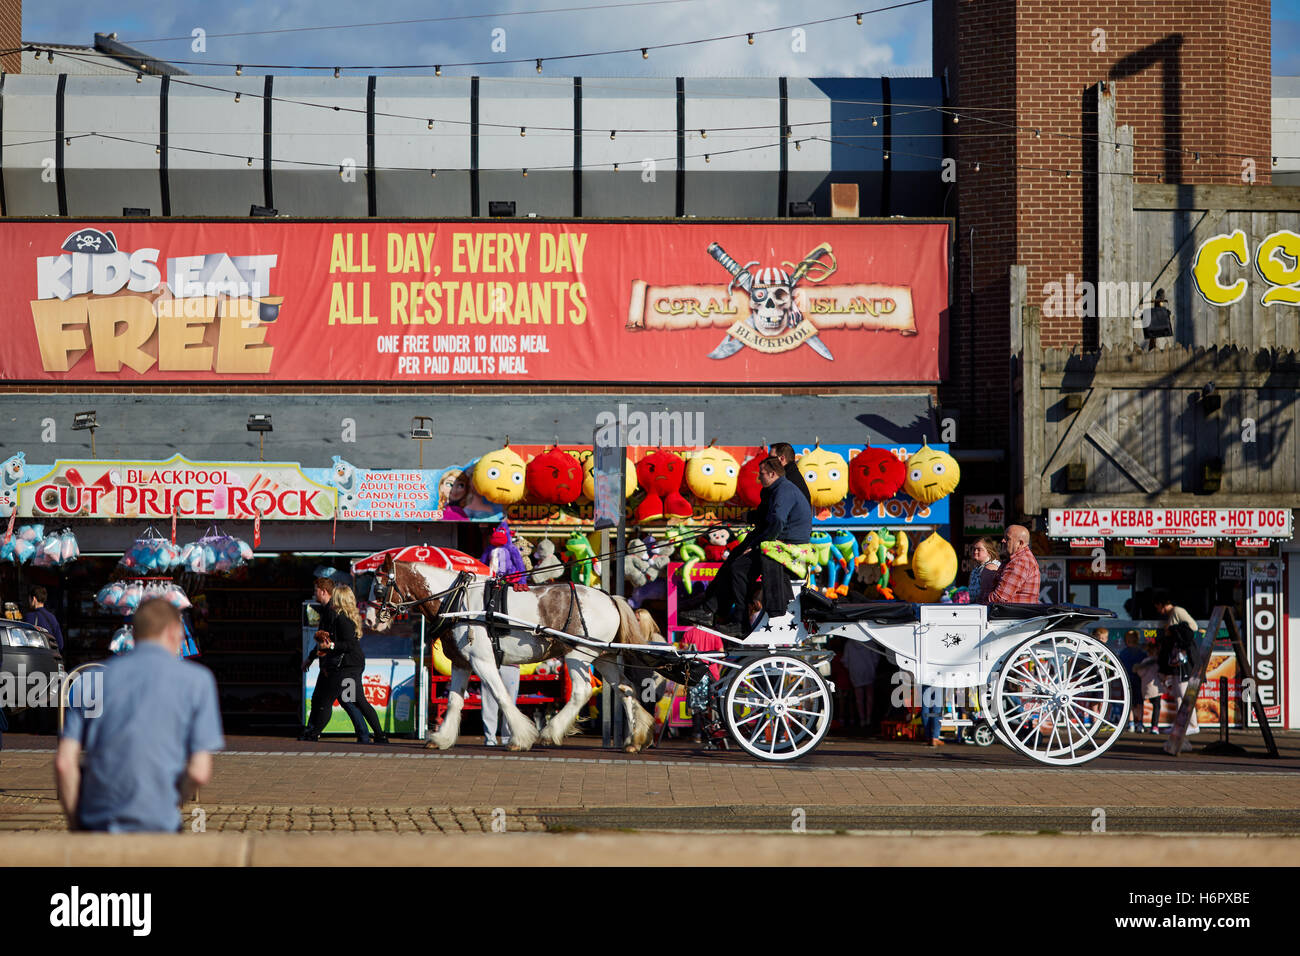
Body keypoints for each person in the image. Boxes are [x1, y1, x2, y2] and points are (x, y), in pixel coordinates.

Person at [55, 598, 224, 832]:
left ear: (134, 634)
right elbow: (199, 771)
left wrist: (77, 824)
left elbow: (64, 763)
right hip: (158, 823)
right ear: (174, 632)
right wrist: (171, 803)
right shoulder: (197, 682)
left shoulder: (90, 680)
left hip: (98, 822)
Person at [678, 441, 807, 626]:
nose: (758, 478)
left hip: (786, 544)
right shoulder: (780, 484)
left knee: (738, 567)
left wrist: (757, 545)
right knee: (734, 561)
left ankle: (736, 619)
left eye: (762, 473)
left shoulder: (786, 485)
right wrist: (747, 517)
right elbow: (769, 515)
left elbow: (778, 520)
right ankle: (711, 607)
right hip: (777, 538)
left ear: (779, 462)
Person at [300, 577, 373, 742]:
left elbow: (339, 643)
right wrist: (312, 658)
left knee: (326, 700)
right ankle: (363, 735)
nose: (314, 593)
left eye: (315, 590)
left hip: (337, 665)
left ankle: (312, 732)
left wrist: (322, 656)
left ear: (323, 591)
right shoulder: (328, 611)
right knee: (343, 700)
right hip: (334, 663)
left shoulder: (333, 613)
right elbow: (324, 642)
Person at [1152, 592, 1199, 753]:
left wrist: (1174, 631)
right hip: (1177, 663)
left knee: (1184, 694)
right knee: (1179, 695)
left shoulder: (1177, 611)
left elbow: (1193, 627)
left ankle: (1192, 724)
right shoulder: (1173, 614)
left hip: (1183, 662)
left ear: (1162, 603)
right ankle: (1182, 725)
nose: (1158, 610)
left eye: (1157, 606)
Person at [984, 525, 1041, 604]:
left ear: (1020, 543)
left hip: (1013, 615)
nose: (1003, 541)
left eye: (1007, 539)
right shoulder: (1018, 559)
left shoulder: (1020, 562)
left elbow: (999, 598)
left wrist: (981, 601)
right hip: (1014, 613)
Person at [1116, 629, 1145, 731]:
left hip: (1127, 680)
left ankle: (1132, 723)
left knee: (1130, 703)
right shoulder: (1141, 652)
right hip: (1138, 680)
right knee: (1139, 703)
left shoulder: (1123, 653)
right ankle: (1139, 723)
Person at [1133, 638, 1164, 734]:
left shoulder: (1144, 662)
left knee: (1141, 705)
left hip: (1145, 688)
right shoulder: (1157, 662)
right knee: (1157, 707)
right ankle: (1154, 726)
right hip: (1156, 688)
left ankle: (1139, 724)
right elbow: (1161, 675)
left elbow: (1139, 673)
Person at [24, 585, 64, 653]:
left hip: (35, 657)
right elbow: (60, 645)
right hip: (50, 658)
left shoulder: (29, 616)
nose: (29, 602)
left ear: (34, 599)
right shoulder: (52, 617)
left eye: (29, 599)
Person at [966, 537, 1002, 603]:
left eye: (979, 549)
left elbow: (987, 595)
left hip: (986, 609)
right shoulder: (975, 570)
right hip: (975, 608)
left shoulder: (991, 567)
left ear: (989, 552)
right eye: (974, 549)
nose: (975, 552)